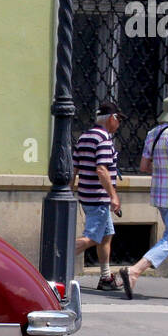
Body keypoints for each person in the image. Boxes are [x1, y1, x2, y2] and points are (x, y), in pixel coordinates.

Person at [119, 95, 168, 300]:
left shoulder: (153, 134)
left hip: (160, 195)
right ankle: (135, 270)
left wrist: (164, 169)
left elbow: (144, 166)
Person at [73, 101, 122, 292]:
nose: (119, 124)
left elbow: (75, 167)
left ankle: (105, 277)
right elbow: (102, 169)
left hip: (86, 195)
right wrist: (113, 196)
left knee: (106, 236)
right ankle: (59, 260)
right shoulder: (103, 139)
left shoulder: (84, 137)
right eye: (118, 119)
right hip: (99, 197)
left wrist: (70, 190)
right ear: (112, 118)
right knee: (93, 237)